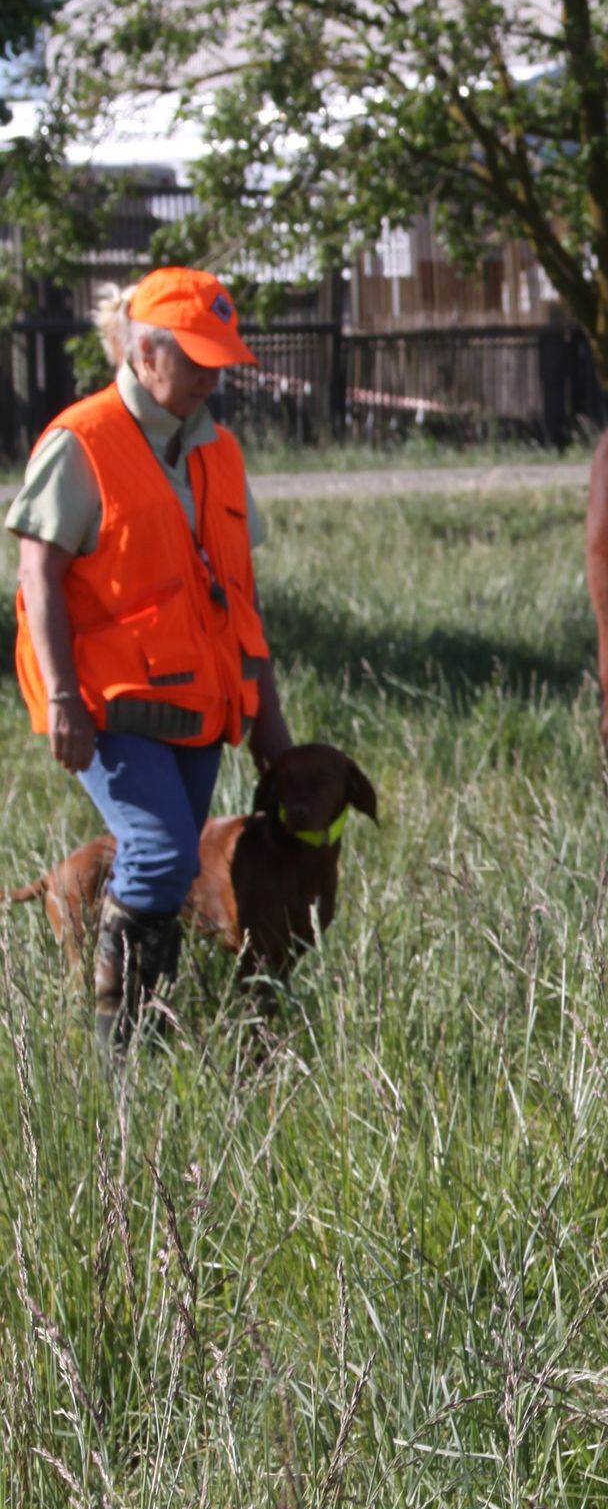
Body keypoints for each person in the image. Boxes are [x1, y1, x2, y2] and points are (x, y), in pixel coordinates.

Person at [9, 268, 296, 1055]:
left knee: (169, 873)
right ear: (144, 352)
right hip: (107, 705)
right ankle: (119, 1059)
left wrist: (269, 724)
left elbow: (242, 598)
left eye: (219, 360)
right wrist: (61, 699)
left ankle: (145, 1036)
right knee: (164, 852)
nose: (211, 376)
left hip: (199, 708)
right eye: (196, 358)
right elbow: (38, 577)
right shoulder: (82, 441)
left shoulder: (220, 453)